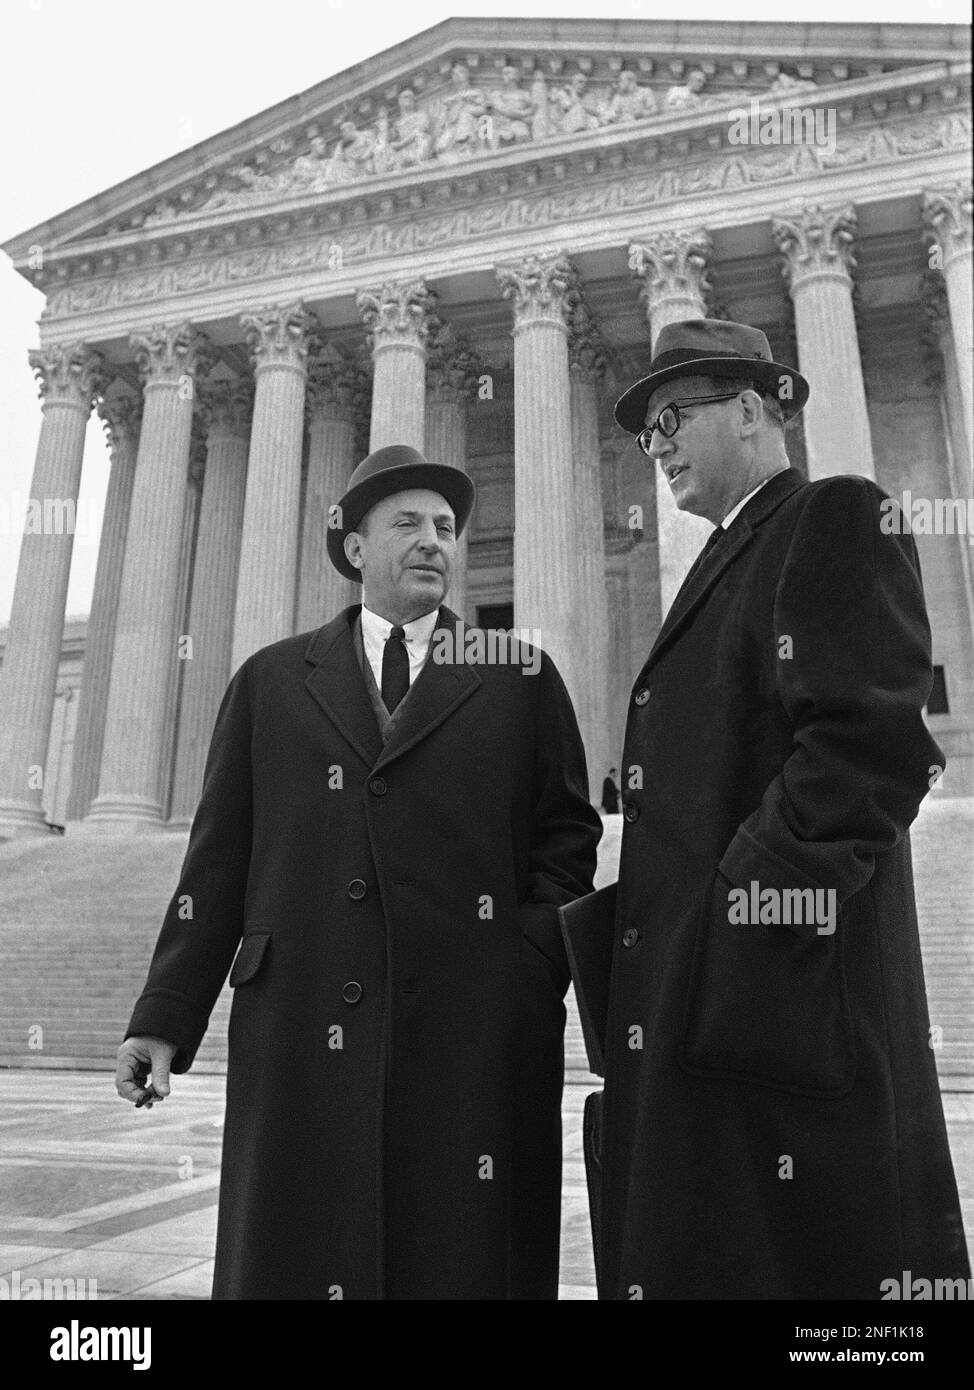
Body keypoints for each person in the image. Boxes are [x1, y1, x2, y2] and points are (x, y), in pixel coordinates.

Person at [116, 444, 601, 1300]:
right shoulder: (270, 681)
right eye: (407, 524)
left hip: (471, 1030)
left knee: (459, 1255)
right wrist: (164, 1016)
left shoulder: (521, 677)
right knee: (303, 1252)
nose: (434, 543)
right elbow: (219, 858)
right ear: (354, 549)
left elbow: (566, 837)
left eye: (447, 529)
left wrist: (528, 964)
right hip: (304, 1025)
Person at [586, 318, 969, 1299]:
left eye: (674, 415)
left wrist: (734, 930)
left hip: (782, 1015)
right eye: (644, 430)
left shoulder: (830, 515)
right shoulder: (726, 555)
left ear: (752, 409)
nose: (654, 442)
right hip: (719, 1017)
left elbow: (864, 748)